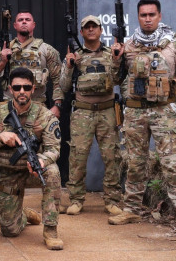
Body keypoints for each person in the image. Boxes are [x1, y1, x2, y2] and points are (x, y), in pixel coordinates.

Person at [108, 0, 176, 231]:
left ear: (159, 16)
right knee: (135, 163)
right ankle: (132, 210)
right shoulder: (128, 46)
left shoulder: (174, 45)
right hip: (135, 113)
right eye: (143, 15)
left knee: (170, 163)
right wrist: (115, 59)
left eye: (151, 14)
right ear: (138, 17)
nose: (147, 19)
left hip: (163, 112)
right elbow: (115, 80)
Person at [0, 67, 64, 250]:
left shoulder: (45, 115)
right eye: (17, 88)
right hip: (8, 173)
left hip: (34, 170)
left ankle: (50, 230)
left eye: (26, 87)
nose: (22, 91)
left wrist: (42, 160)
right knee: (10, 230)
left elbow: (54, 149)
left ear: (33, 89)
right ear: (10, 89)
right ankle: (22, 214)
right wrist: (0, 138)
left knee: (52, 172)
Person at [59, 15, 123, 216]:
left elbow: (119, 79)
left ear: (101, 30)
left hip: (107, 111)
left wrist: (116, 60)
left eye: (94, 26)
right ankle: (76, 199)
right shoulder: (75, 56)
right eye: (87, 27)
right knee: (77, 157)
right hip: (83, 113)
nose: (91, 30)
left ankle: (112, 200)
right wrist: (69, 67)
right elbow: (64, 86)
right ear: (82, 32)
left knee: (112, 156)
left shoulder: (110, 53)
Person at [0, 11, 64, 116]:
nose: (24, 22)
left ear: (34, 25)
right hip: (9, 108)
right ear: (15, 25)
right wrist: (3, 62)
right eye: (20, 20)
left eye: (27, 20)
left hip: (38, 107)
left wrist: (57, 106)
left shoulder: (46, 49)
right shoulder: (4, 50)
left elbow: (58, 79)